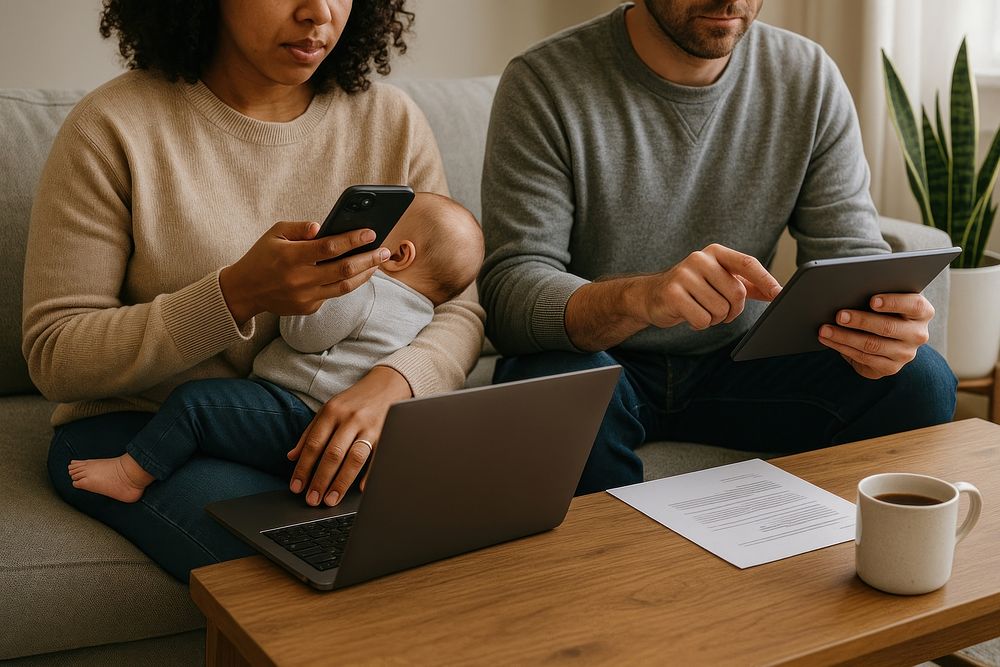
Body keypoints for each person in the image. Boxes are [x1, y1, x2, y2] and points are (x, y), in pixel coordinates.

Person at [23, 0, 485, 582]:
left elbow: (457, 308)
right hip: (140, 426)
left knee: (455, 542)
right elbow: (56, 354)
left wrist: (393, 385)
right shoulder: (112, 126)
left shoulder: (389, 121)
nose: (318, 11)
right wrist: (235, 295)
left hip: (301, 424)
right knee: (316, 563)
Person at [478, 0, 957, 494]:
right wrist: (640, 297)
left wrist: (880, 327)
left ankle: (812, 539)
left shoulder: (807, 75)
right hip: (599, 359)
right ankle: (622, 548)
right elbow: (510, 293)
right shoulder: (544, 81)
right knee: (551, 397)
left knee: (921, 381)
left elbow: (850, 255)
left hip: (742, 360)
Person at [65, 192, 484, 506]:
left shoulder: (367, 291)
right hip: (336, 435)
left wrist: (301, 289)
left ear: (399, 254)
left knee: (195, 405)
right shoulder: (421, 311)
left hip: (299, 412)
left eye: (385, 224)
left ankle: (131, 474)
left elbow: (306, 335)